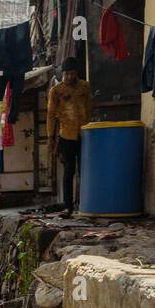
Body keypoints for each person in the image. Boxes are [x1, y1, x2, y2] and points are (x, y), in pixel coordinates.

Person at [47, 56, 93, 211]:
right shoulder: (56, 91)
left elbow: (89, 109)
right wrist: (50, 138)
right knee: (69, 172)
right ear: (63, 74)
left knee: (85, 170)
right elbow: (51, 116)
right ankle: (68, 206)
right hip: (66, 136)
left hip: (85, 135)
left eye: (72, 73)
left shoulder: (85, 87)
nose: (70, 77)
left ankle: (85, 204)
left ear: (76, 73)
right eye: (67, 74)